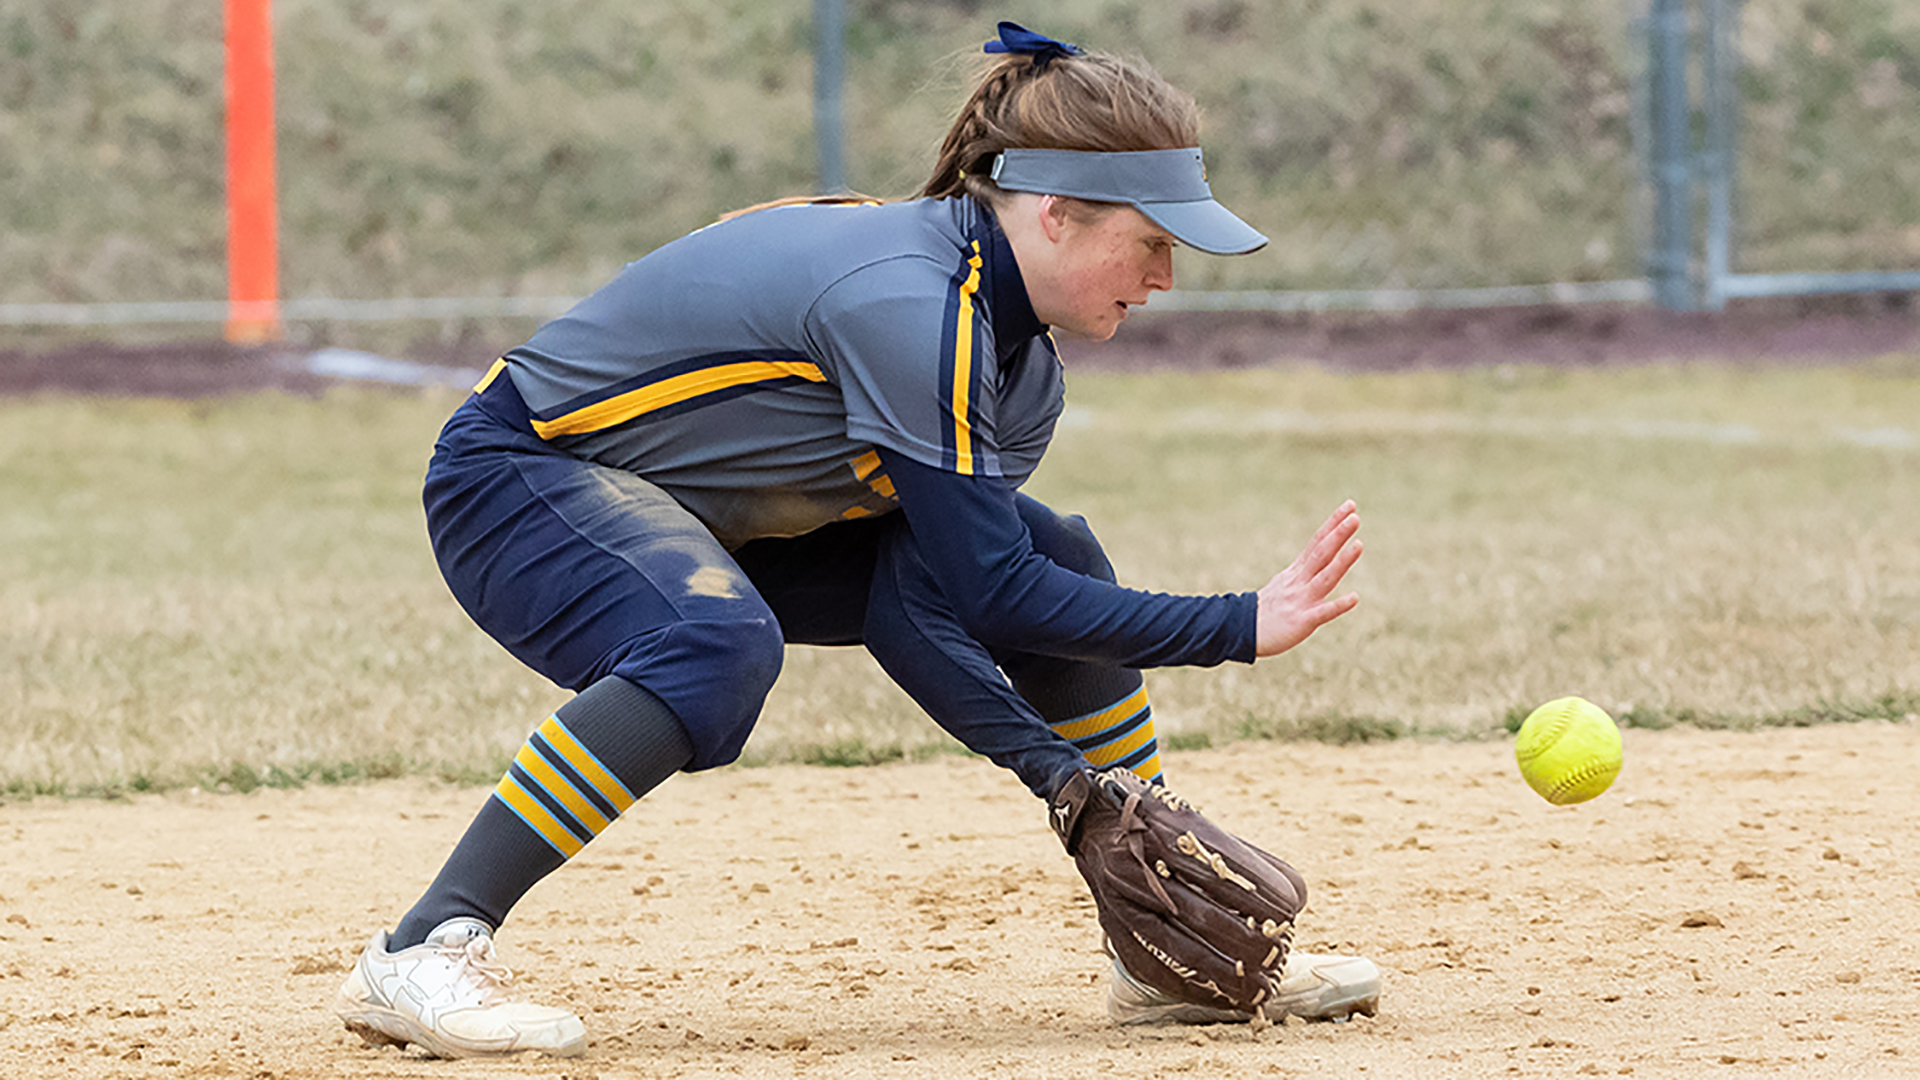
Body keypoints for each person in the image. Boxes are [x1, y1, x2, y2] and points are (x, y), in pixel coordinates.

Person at [333, 22, 1375, 1059]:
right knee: (714, 642)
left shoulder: (1020, 375)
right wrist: (1237, 624)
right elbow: (997, 595)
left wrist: (1070, 789)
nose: (1165, 278)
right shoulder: (908, 303)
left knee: (1055, 548)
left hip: (694, 506)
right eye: (1153, 241)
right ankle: (422, 951)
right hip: (518, 479)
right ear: (1055, 214)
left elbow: (924, 607)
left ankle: (1154, 953)